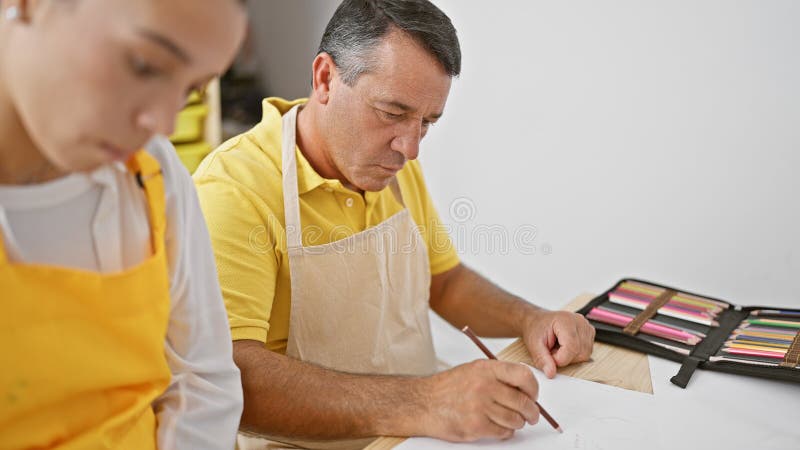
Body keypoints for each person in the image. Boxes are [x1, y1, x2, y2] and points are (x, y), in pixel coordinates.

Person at [194, 0, 595, 448]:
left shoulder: (393, 165)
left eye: (427, 122)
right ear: (325, 78)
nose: (410, 147)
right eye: (392, 112)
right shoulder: (233, 190)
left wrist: (530, 318)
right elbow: (232, 378)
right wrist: (427, 402)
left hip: (415, 432)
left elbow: (444, 283)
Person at [0, 0, 247, 448]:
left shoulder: (151, 170)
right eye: (144, 65)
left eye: (191, 90)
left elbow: (205, 380)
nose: (162, 122)